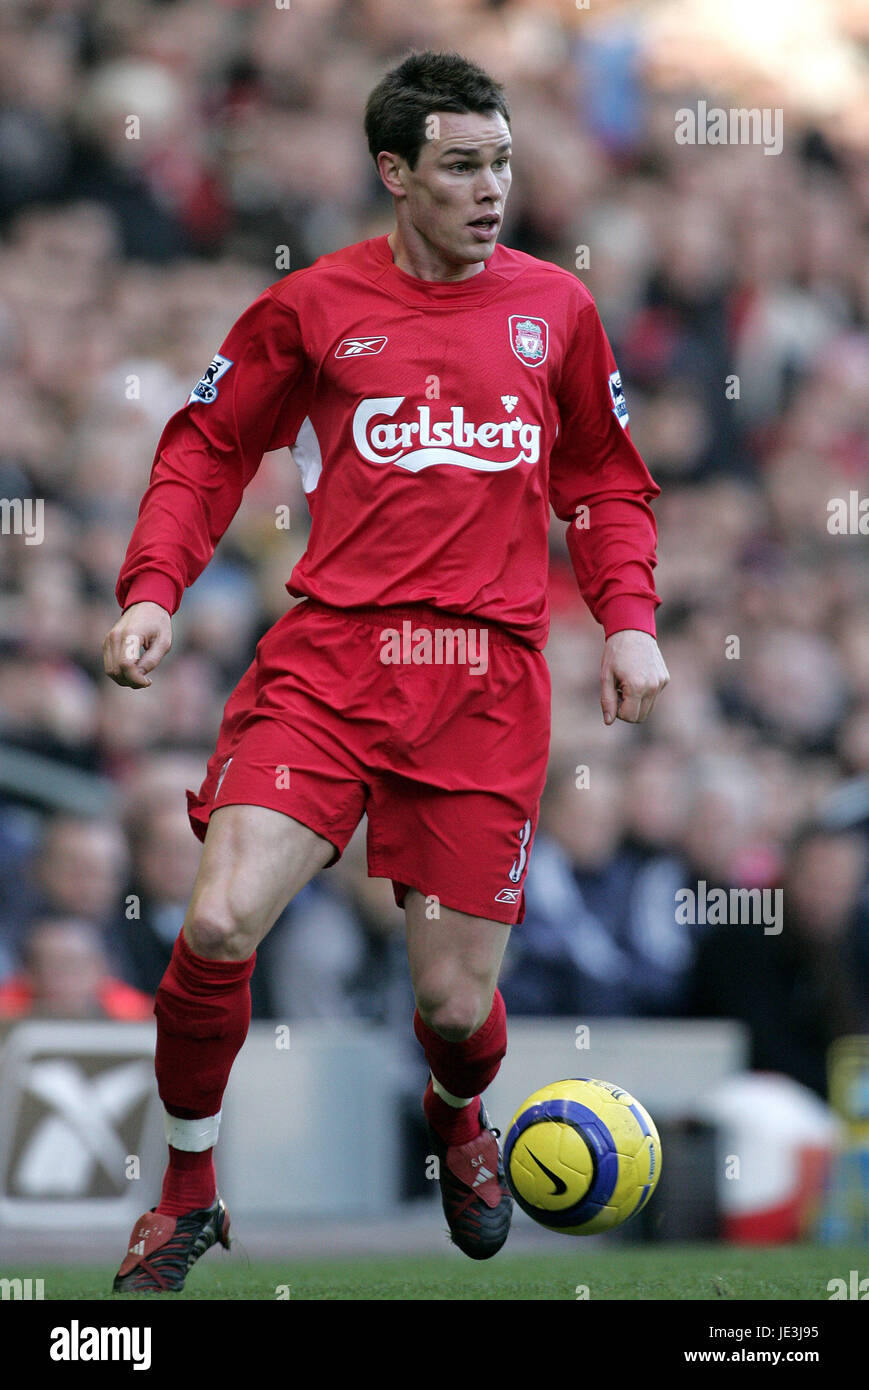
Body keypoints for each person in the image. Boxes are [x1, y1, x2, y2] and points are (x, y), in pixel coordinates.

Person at [103, 50, 668, 1292]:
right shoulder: (311, 308)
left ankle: (458, 1114)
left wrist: (627, 615)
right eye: (462, 167)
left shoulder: (555, 312)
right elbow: (205, 449)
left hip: (484, 681)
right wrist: (154, 591)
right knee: (214, 918)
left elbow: (604, 480)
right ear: (393, 173)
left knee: (458, 1010)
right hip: (333, 663)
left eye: (502, 164)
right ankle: (187, 1191)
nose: (491, 190)